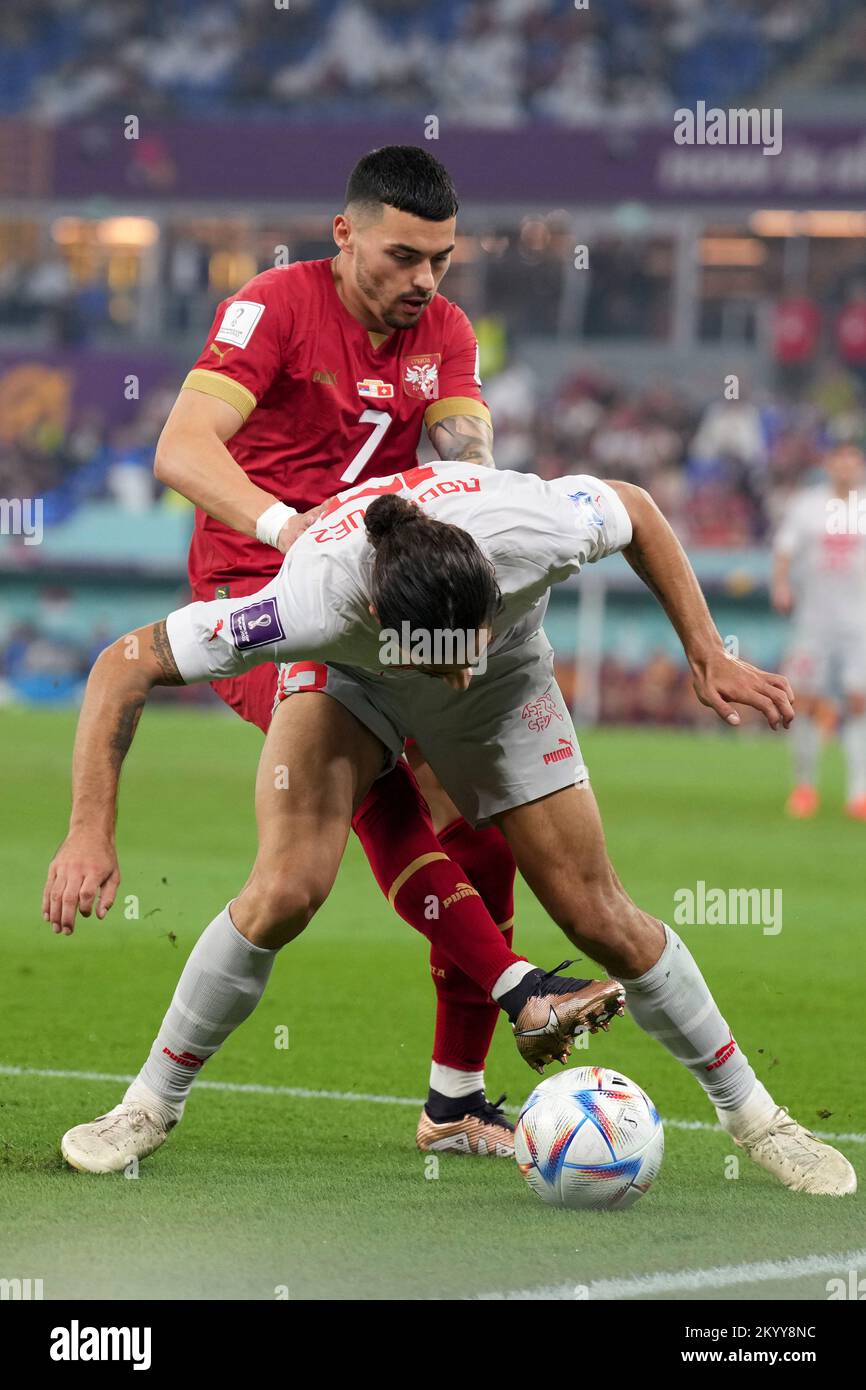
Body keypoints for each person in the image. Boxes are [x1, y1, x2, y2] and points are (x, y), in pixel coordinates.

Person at [46, 461, 855, 1196]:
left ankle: (759, 1121)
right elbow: (127, 660)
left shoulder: (537, 528)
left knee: (596, 912)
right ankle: (147, 1107)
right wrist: (90, 829)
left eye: (467, 639)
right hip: (353, 678)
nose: (453, 671)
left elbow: (637, 507)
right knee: (287, 888)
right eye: (443, 655)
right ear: (373, 610)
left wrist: (706, 649)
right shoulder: (310, 603)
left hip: (508, 682)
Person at [154, 143, 527, 1156]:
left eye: (440, 261)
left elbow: (468, 456)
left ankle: (454, 1102)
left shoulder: (445, 331)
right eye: (402, 257)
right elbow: (181, 451)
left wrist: (478, 534)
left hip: (374, 600)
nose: (423, 281)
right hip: (257, 599)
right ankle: (517, 986)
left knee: (481, 827)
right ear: (343, 233)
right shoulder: (275, 306)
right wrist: (294, 537)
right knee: (378, 802)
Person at [772, 444, 866, 819]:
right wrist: (781, 585)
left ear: (858, 466)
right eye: (838, 458)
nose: (845, 465)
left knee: (859, 702)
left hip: (859, 623)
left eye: (852, 459)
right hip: (813, 621)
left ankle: (859, 792)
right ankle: (804, 786)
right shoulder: (807, 505)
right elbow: (784, 549)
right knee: (805, 701)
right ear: (829, 464)